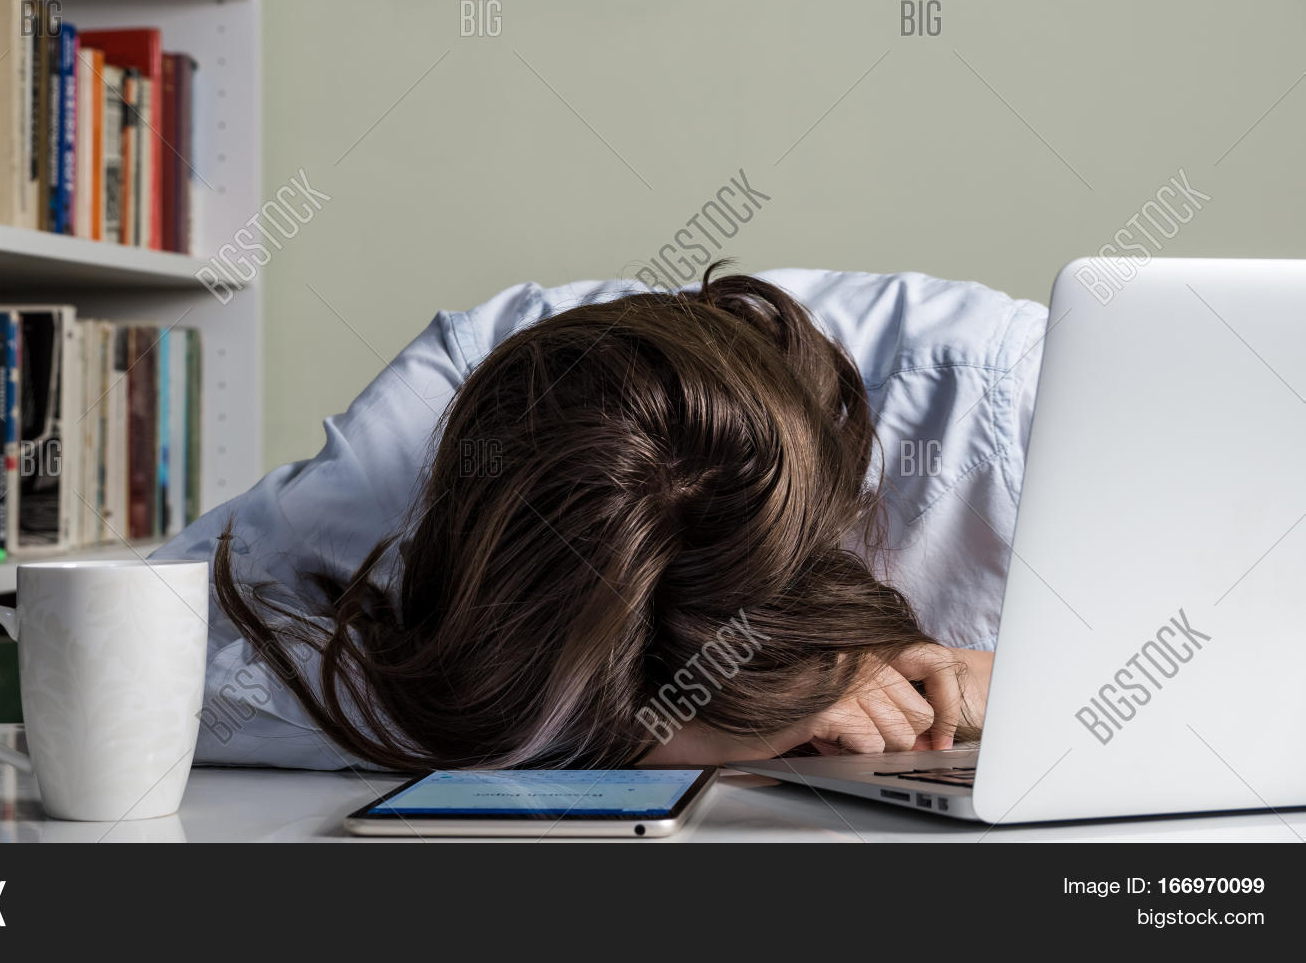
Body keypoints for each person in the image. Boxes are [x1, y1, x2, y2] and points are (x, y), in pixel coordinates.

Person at [152, 265, 1047, 771]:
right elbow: (132, 663)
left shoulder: (1019, 394)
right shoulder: (428, 430)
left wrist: (1001, 683)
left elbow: (1189, 654)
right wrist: (661, 726)